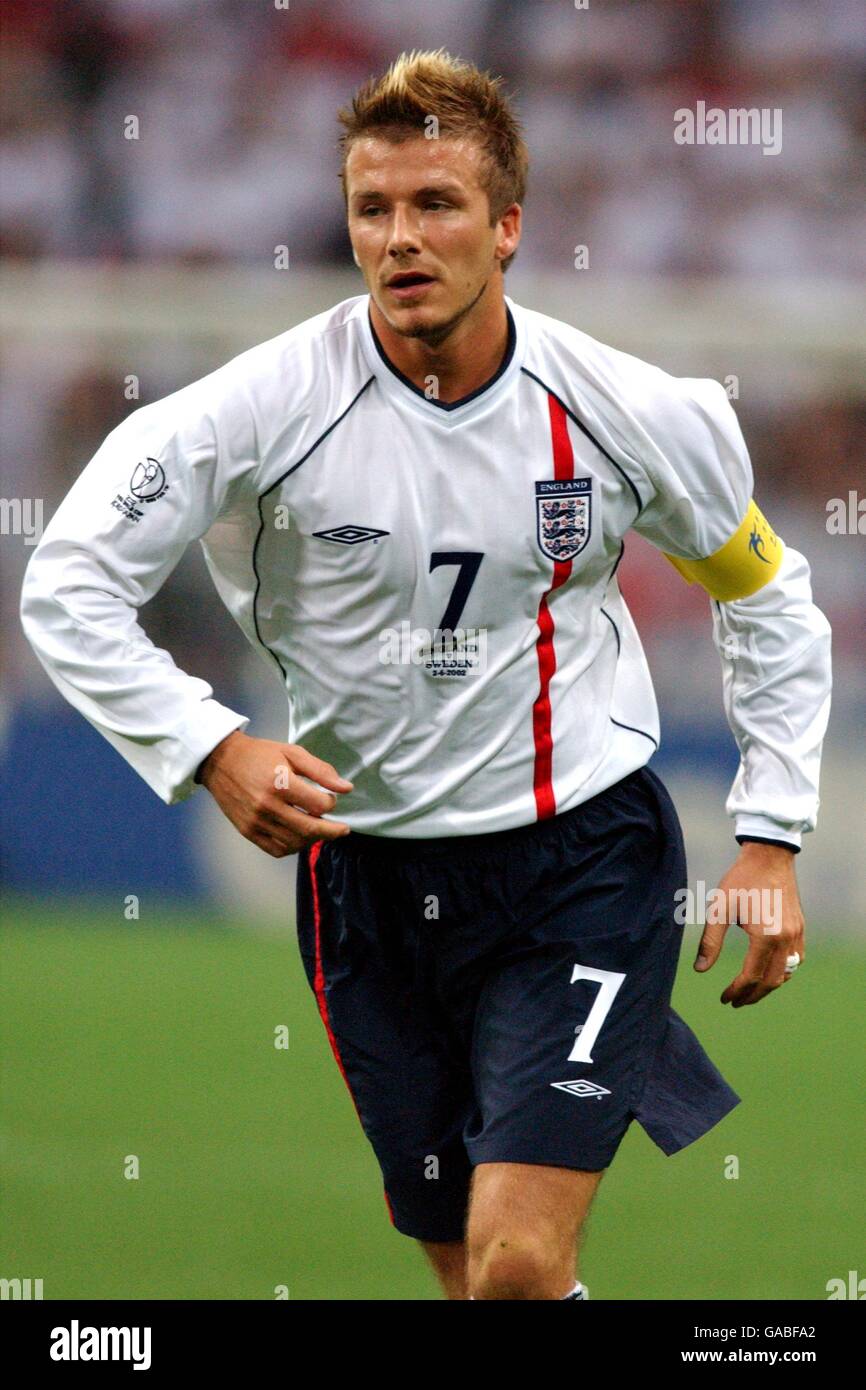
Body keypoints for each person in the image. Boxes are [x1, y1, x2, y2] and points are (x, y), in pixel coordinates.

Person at [20, 50, 832, 1301]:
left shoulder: (627, 408)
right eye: (372, 209)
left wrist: (771, 831)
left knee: (515, 1266)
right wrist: (210, 744)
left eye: (436, 205)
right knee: (470, 1280)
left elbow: (764, 588)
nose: (401, 238)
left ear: (507, 226)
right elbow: (67, 580)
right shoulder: (258, 406)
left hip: (580, 863)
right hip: (370, 886)